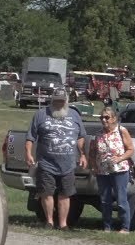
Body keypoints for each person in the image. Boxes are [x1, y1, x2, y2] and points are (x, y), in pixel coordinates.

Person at [24, 88, 88, 230]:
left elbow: (81, 137)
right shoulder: (41, 114)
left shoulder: (74, 115)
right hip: (47, 163)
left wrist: (83, 154)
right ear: (52, 100)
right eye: (56, 101)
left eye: (62, 101)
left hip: (68, 164)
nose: (59, 103)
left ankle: (63, 224)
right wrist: (28, 153)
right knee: (47, 193)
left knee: (65, 194)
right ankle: (49, 221)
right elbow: (31, 137)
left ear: (66, 101)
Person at [92, 106, 135, 233]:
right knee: (105, 200)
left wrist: (120, 158)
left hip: (120, 170)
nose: (104, 120)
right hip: (102, 171)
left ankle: (125, 227)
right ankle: (107, 226)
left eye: (107, 117)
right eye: (102, 117)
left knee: (121, 199)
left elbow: (131, 149)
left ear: (114, 118)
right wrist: (93, 166)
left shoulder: (122, 131)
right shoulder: (98, 134)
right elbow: (93, 152)